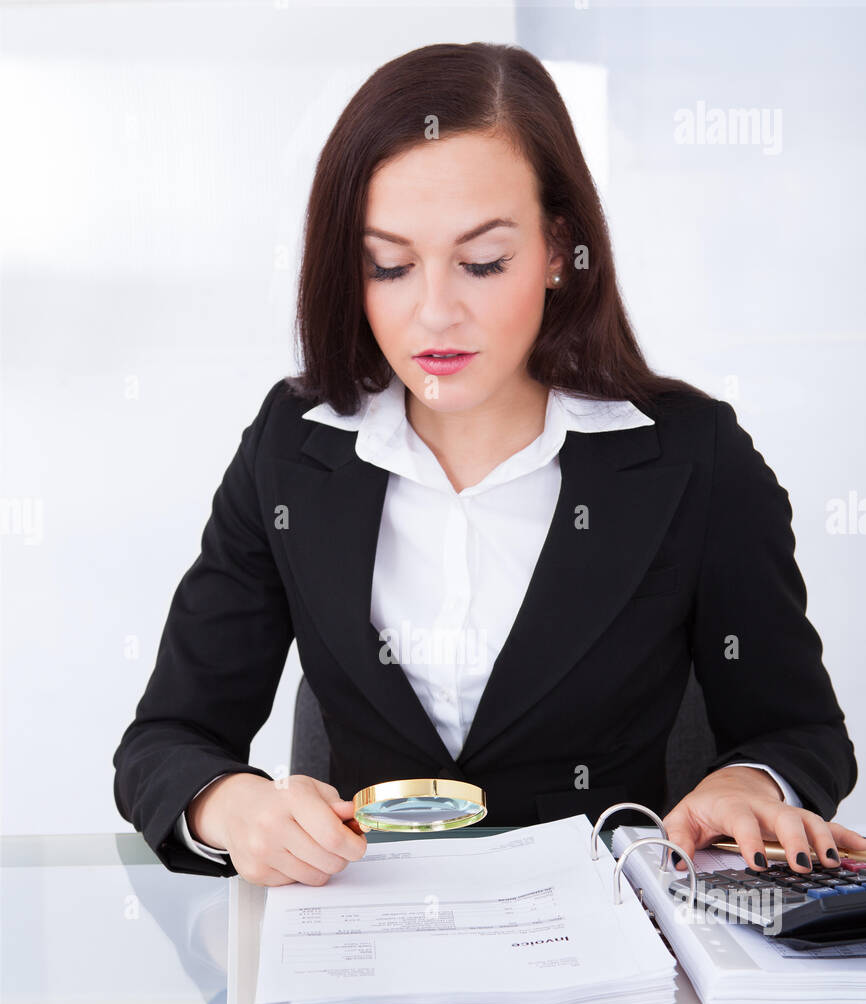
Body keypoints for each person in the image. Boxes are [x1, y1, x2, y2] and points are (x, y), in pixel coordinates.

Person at [113, 41, 866, 886]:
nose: (434, 313)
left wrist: (745, 780)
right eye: (388, 266)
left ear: (557, 249)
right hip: (367, 954)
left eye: (482, 263)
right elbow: (167, 742)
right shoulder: (294, 448)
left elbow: (801, 734)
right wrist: (232, 805)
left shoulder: (694, 459)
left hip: (613, 962)